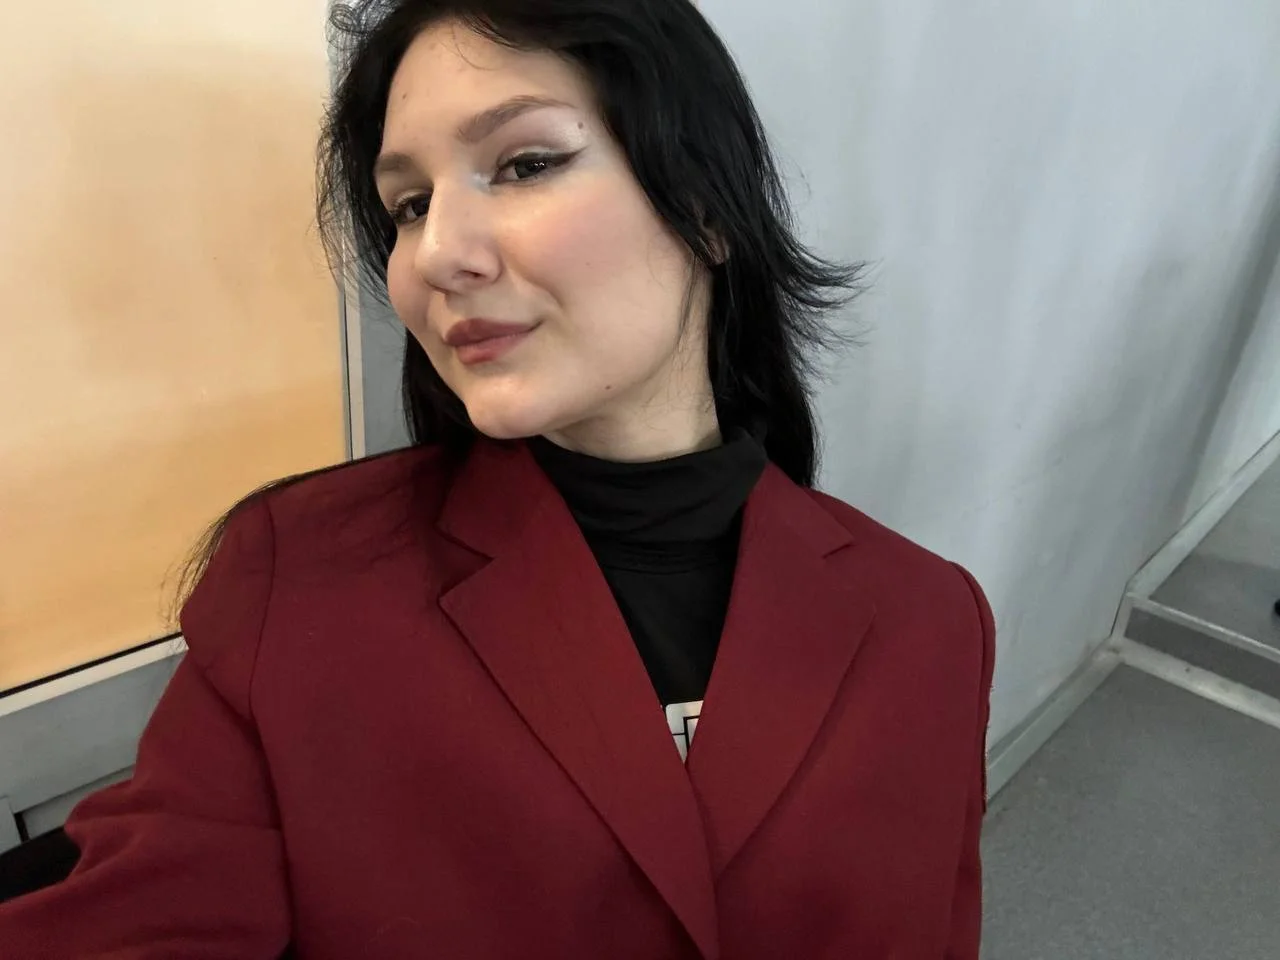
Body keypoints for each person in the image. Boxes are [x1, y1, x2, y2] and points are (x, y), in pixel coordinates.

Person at [0, 0, 994, 957]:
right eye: (409, 205)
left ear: (702, 206)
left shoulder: (931, 621)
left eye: (524, 164)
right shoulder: (299, 582)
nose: (437, 253)